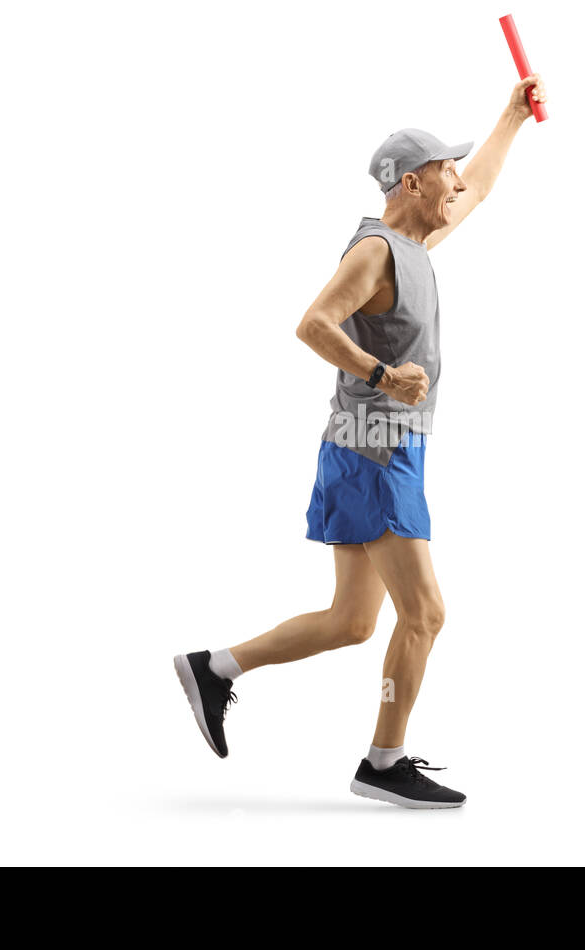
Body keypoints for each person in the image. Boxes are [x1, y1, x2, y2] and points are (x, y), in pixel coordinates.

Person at [175, 74, 549, 809]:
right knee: (427, 614)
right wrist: (382, 372)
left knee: (352, 621)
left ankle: (214, 668)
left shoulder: (419, 237)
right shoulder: (376, 252)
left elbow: (480, 187)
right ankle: (384, 761)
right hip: (375, 447)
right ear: (412, 181)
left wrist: (511, 115)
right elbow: (313, 323)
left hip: (370, 446)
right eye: (444, 169)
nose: (455, 181)